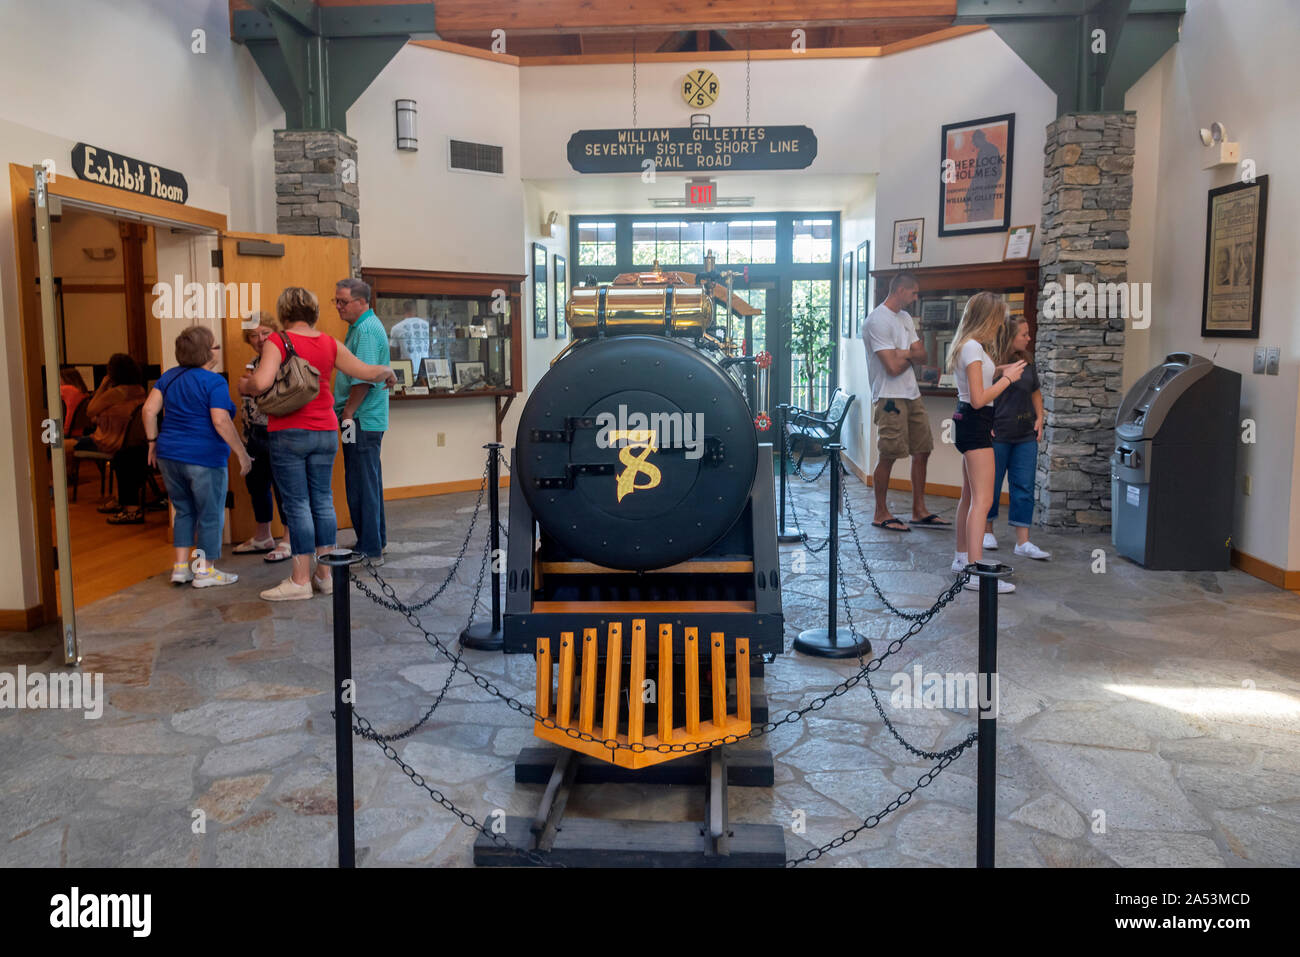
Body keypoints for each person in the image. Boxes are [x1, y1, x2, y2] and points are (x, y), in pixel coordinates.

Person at [238, 286, 395, 602]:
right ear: (314, 312)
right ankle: (324, 575)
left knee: (297, 504)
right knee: (323, 500)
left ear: (283, 314)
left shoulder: (277, 342)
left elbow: (262, 382)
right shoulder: (329, 343)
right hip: (325, 431)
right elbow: (364, 372)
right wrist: (387, 371)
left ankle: (299, 580)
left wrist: (246, 384)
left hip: (290, 432)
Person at [142, 326, 252, 587]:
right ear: (205, 352)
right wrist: (241, 453)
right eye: (215, 346)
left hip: (169, 455)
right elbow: (221, 420)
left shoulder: (167, 377)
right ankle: (204, 569)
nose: (218, 350)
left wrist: (152, 442)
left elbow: (148, 410)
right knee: (210, 513)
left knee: (183, 511)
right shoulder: (214, 382)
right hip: (204, 457)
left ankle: (180, 568)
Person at [949, 292, 1025, 593]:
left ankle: (962, 558)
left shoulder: (969, 346)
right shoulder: (972, 347)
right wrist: (1008, 380)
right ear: (988, 318)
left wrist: (1001, 371)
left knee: (969, 496)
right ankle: (976, 573)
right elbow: (980, 398)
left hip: (969, 421)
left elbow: (979, 379)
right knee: (984, 500)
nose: (1000, 325)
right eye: (999, 319)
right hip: (976, 422)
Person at [864, 273, 950, 532]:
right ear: (901, 290)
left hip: (912, 393)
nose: (916, 298)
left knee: (923, 450)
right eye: (913, 293)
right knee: (889, 453)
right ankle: (880, 512)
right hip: (889, 397)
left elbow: (923, 354)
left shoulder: (904, 318)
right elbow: (890, 367)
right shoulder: (876, 320)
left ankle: (919, 510)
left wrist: (905, 354)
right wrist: (908, 354)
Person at [333, 278, 391, 565]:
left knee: (360, 481)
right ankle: (374, 539)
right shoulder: (360, 327)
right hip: (360, 418)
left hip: (359, 419)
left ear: (361, 301)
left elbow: (365, 378)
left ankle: (370, 548)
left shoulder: (366, 330)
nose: (339, 307)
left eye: (343, 301)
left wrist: (346, 414)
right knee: (365, 479)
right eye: (337, 301)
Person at [983, 316, 1051, 561]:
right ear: (1010, 336)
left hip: (1025, 436)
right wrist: (985, 421)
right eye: (1024, 334)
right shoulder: (990, 363)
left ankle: (1023, 541)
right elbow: (980, 394)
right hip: (998, 433)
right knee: (991, 484)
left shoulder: (1028, 361)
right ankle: (986, 531)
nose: (1028, 338)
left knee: (1024, 485)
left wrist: (1040, 418)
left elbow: (1035, 391)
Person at [232, 313, 292, 562]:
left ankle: (289, 540)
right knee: (257, 486)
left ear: (275, 333)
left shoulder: (284, 361)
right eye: (254, 335)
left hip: (279, 432)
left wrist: (249, 386)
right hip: (254, 434)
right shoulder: (253, 362)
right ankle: (263, 536)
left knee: (284, 488)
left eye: (265, 333)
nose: (259, 339)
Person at [76, 353, 147, 516]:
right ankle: (116, 497)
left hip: (112, 439)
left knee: (64, 445)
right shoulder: (139, 389)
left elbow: (90, 410)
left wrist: (102, 385)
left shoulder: (117, 392)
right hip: (127, 438)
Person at [59, 368, 89, 434]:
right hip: (80, 429)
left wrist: (64, 432)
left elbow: (51, 392)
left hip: (69, 431)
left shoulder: (68, 389)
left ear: (66, 379)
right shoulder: (82, 392)